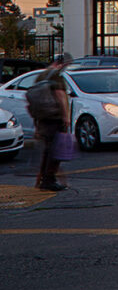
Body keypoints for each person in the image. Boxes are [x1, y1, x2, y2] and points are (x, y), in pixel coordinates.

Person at [29, 53, 72, 192]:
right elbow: (60, 96)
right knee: (56, 150)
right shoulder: (56, 76)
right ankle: (49, 180)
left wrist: (36, 121)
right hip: (54, 117)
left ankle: (42, 179)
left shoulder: (41, 76)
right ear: (62, 64)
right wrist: (66, 117)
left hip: (42, 118)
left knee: (47, 150)